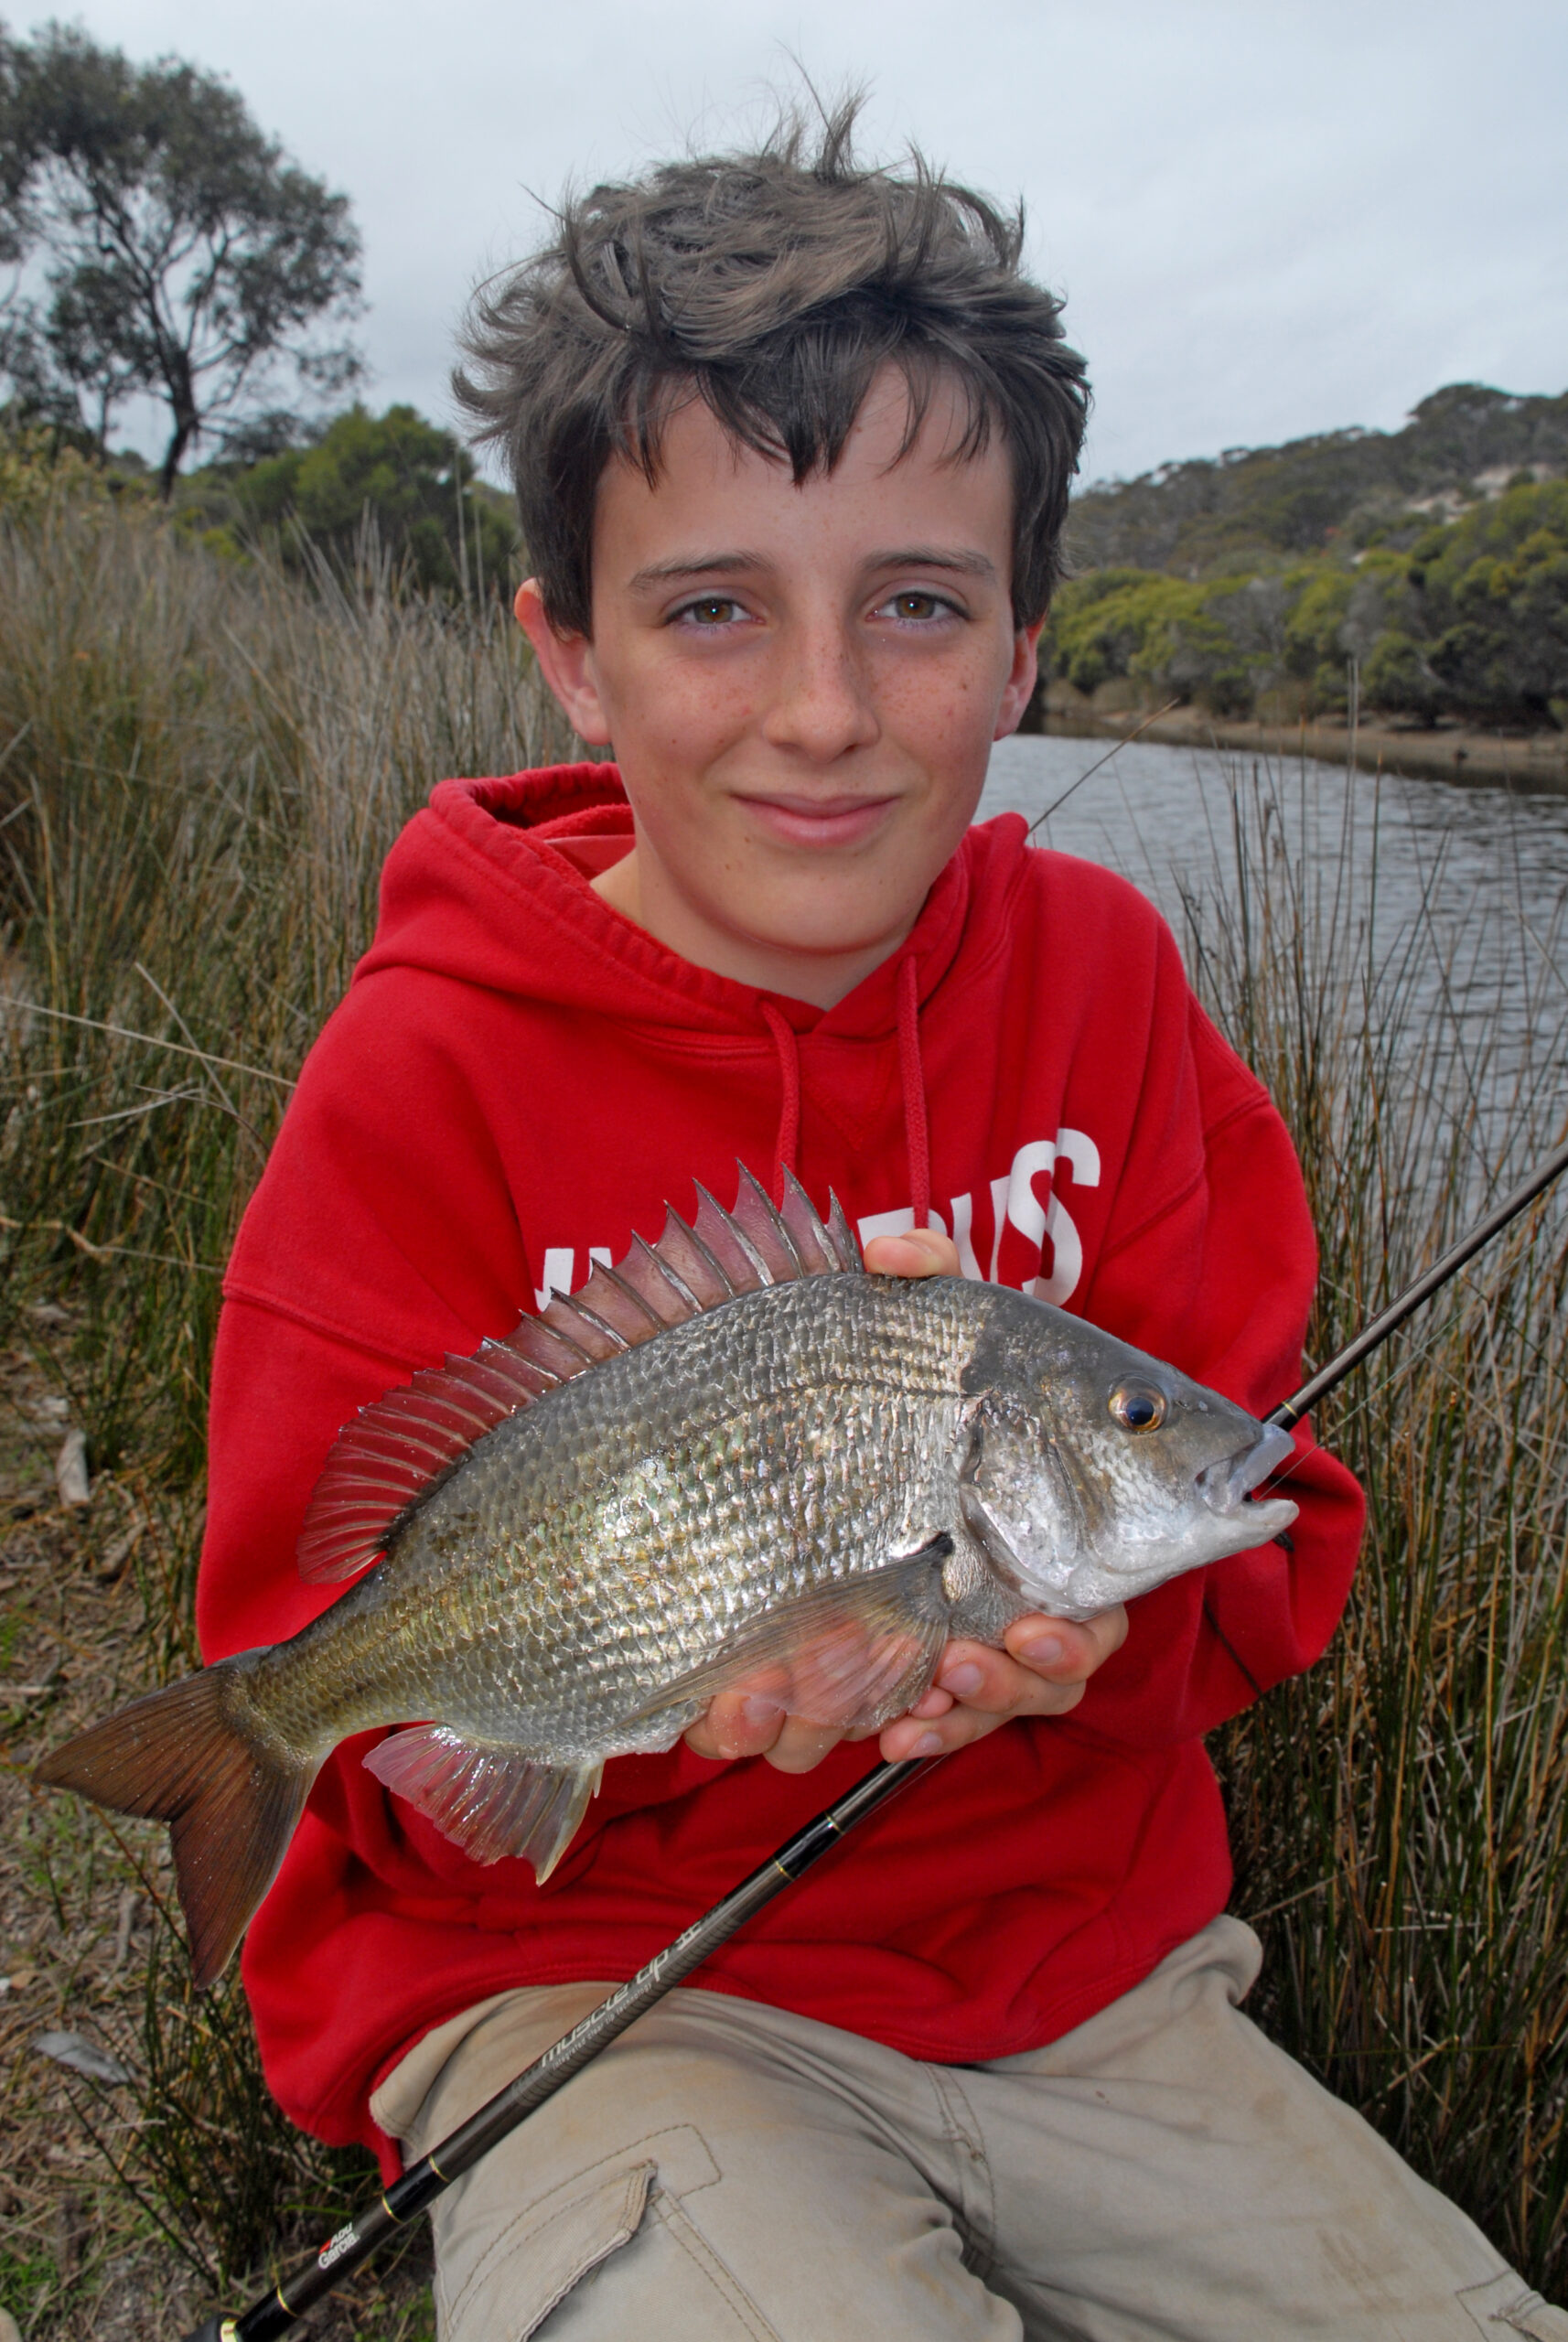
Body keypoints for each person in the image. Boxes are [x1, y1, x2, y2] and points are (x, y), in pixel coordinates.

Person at [198, 107, 1566, 2341]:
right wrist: (603, 1699)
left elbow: (1259, 1498)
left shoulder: (1109, 986)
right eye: (714, 607)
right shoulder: (417, 1080)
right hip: (589, 2004)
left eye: (916, 605)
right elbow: (390, 1763)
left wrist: (1098, 1645)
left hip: (1088, 1984)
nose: (823, 709)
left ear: (1024, 646)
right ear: (567, 653)